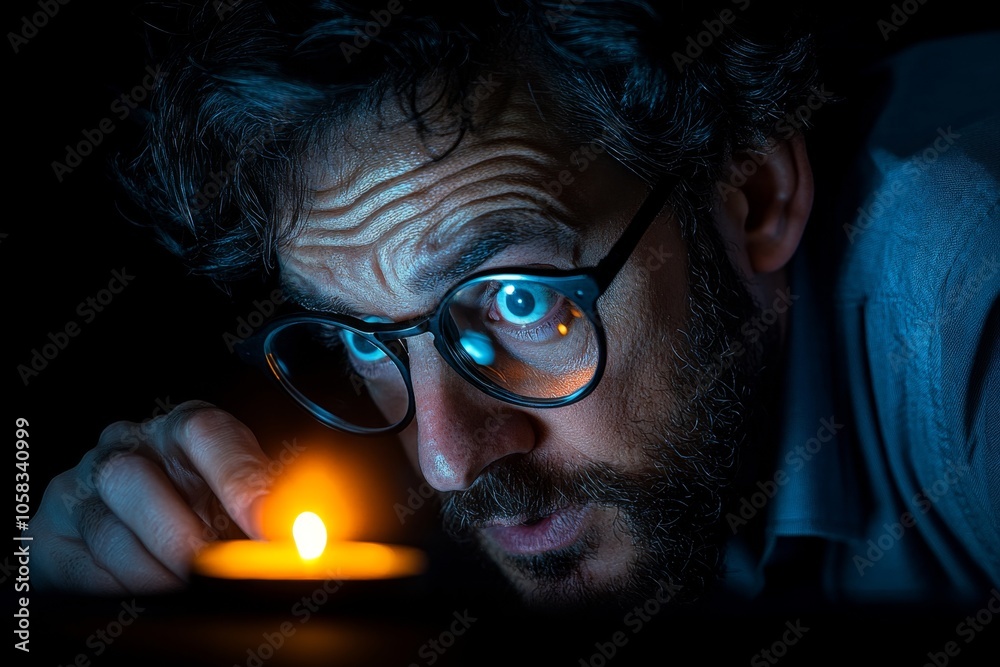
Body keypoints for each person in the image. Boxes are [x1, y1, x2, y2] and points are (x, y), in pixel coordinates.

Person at [29, 0, 998, 616]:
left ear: (749, 197)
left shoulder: (967, 308)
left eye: (519, 300)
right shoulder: (294, 460)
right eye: (367, 339)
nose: (448, 459)